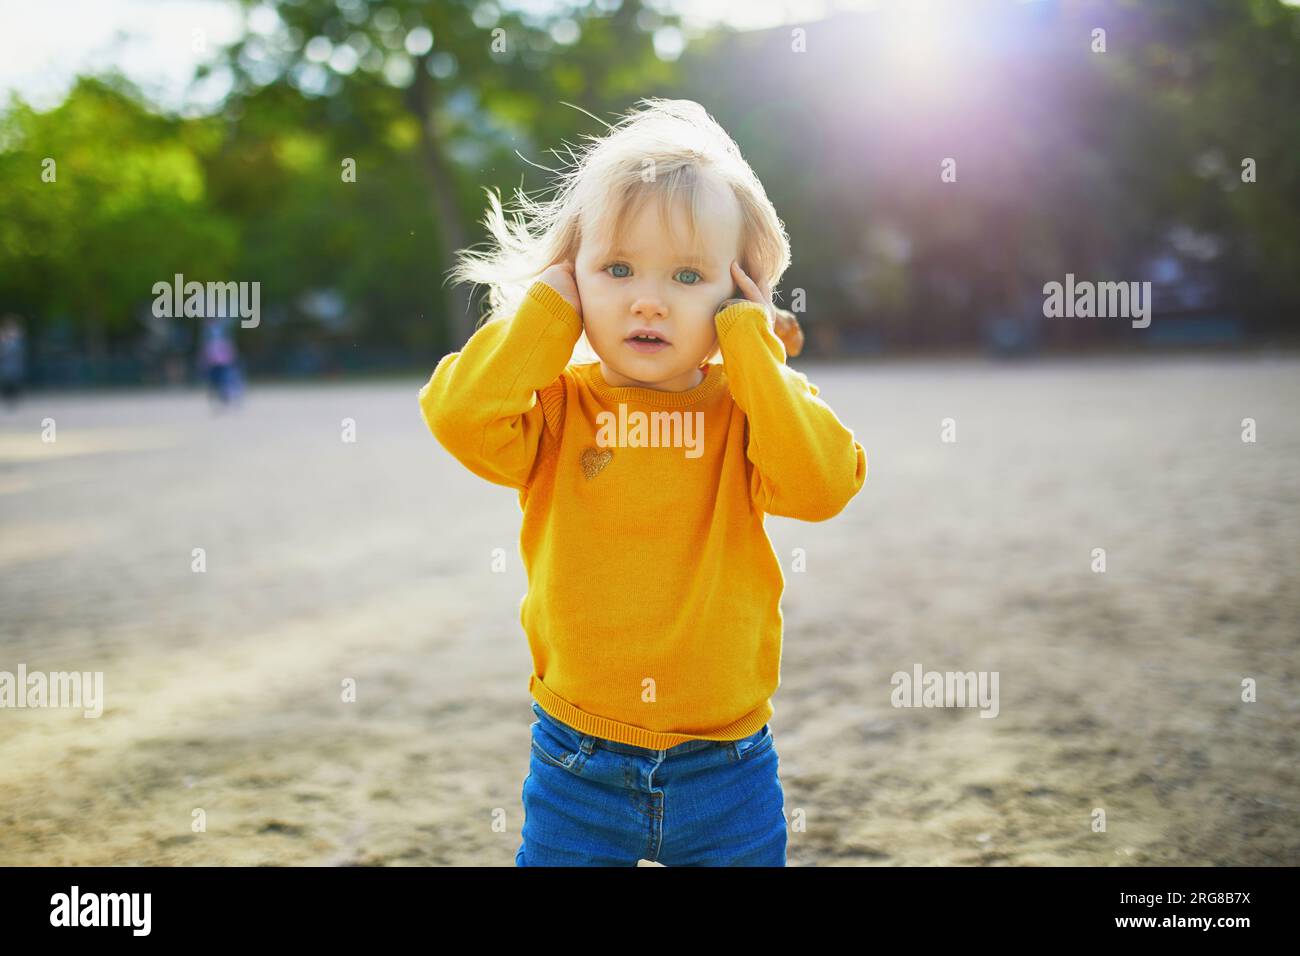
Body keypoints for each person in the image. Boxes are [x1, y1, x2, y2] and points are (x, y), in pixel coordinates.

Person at [419, 98, 867, 866]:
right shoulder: (559, 409)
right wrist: (547, 315)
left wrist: (754, 354)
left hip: (726, 771)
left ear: (737, 298)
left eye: (688, 275)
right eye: (615, 269)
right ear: (573, 276)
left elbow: (824, 485)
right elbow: (459, 417)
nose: (647, 299)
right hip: (576, 767)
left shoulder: (746, 410)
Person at [0, 315, 27, 410]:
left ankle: (12, 401)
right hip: (8, 367)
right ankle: (9, 401)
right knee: (7, 384)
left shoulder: (15, 341)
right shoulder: (8, 341)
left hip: (13, 367)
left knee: (13, 384)